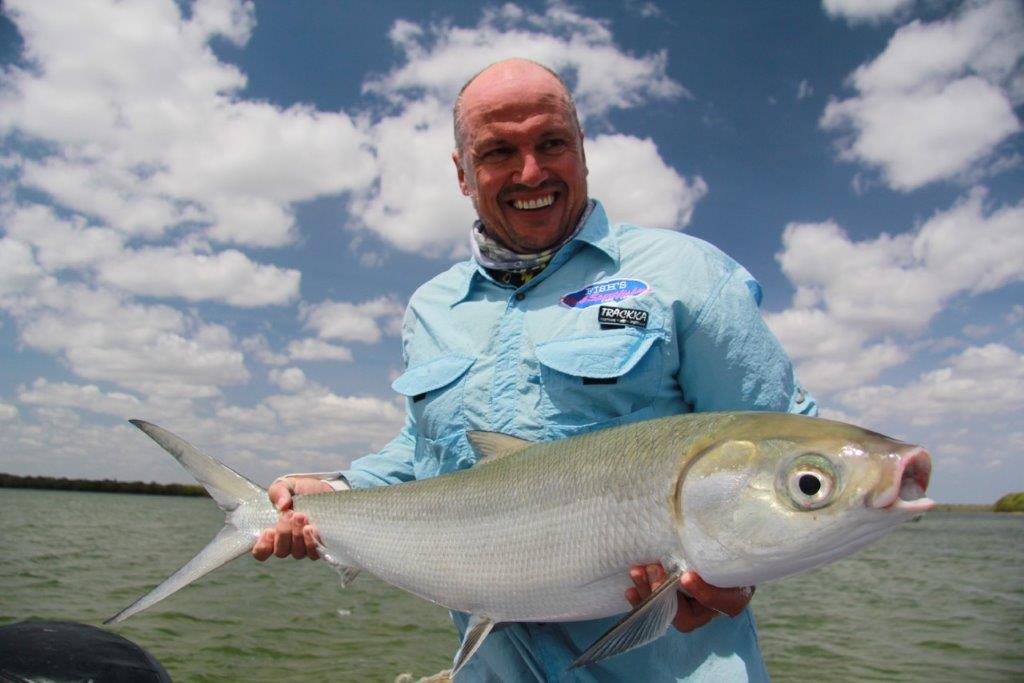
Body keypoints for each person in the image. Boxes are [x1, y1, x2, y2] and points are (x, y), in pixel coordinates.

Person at [253, 58, 815, 681]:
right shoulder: (432, 307)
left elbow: (780, 454)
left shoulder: (687, 273)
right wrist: (337, 491)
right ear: (462, 173)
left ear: (582, 149)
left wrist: (734, 583)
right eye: (498, 151)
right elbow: (427, 447)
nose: (531, 172)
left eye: (551, 143)